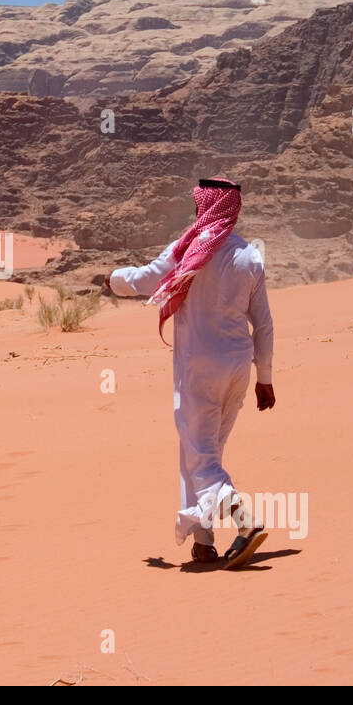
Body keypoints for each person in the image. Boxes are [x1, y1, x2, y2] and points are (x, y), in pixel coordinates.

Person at [108, 178, 275, 569]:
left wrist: (113, 280)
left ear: (206, 207)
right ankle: (203, 542)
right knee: (204, 453)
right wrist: (264, 376)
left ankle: (246, 523)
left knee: (202, 458)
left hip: (200, 369)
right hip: (238, 369)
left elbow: (147, 278)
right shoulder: (251, 256)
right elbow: (264, 324)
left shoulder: (189, 250)